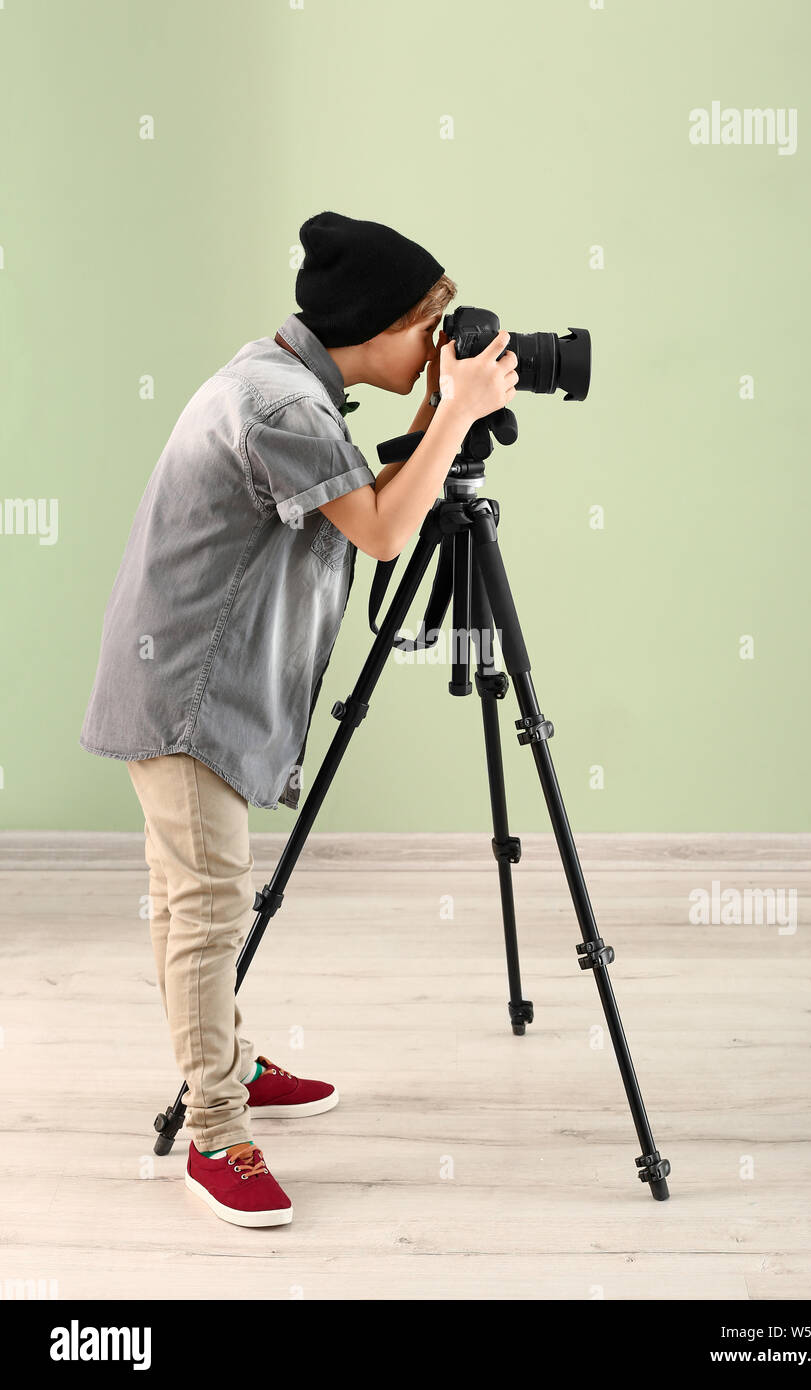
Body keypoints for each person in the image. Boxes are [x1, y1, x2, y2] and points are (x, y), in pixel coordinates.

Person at [78, 209, 519, 1228]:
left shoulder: (286, 380)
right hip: (185, 698)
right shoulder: (278, 404)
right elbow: (379, 528)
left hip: (188, 679)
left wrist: (439, 417)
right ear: (375, 326)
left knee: (191, 898)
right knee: (207, 909)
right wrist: (453, 413)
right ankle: (216, 1130)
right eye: (430, 326)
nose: (440, 347)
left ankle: (220, 1057)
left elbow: (366, 492)